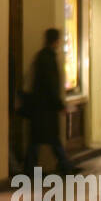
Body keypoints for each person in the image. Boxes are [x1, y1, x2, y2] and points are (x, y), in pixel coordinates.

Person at [24, 28, 79, 176]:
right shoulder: (49, 58)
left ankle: (33, 168)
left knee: (37, 140)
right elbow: (51, 84)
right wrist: (58, 104)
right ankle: (64, 165)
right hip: (46, 108)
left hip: (39, 107)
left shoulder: (40, 57)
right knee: (51, 139)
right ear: (56, 41)